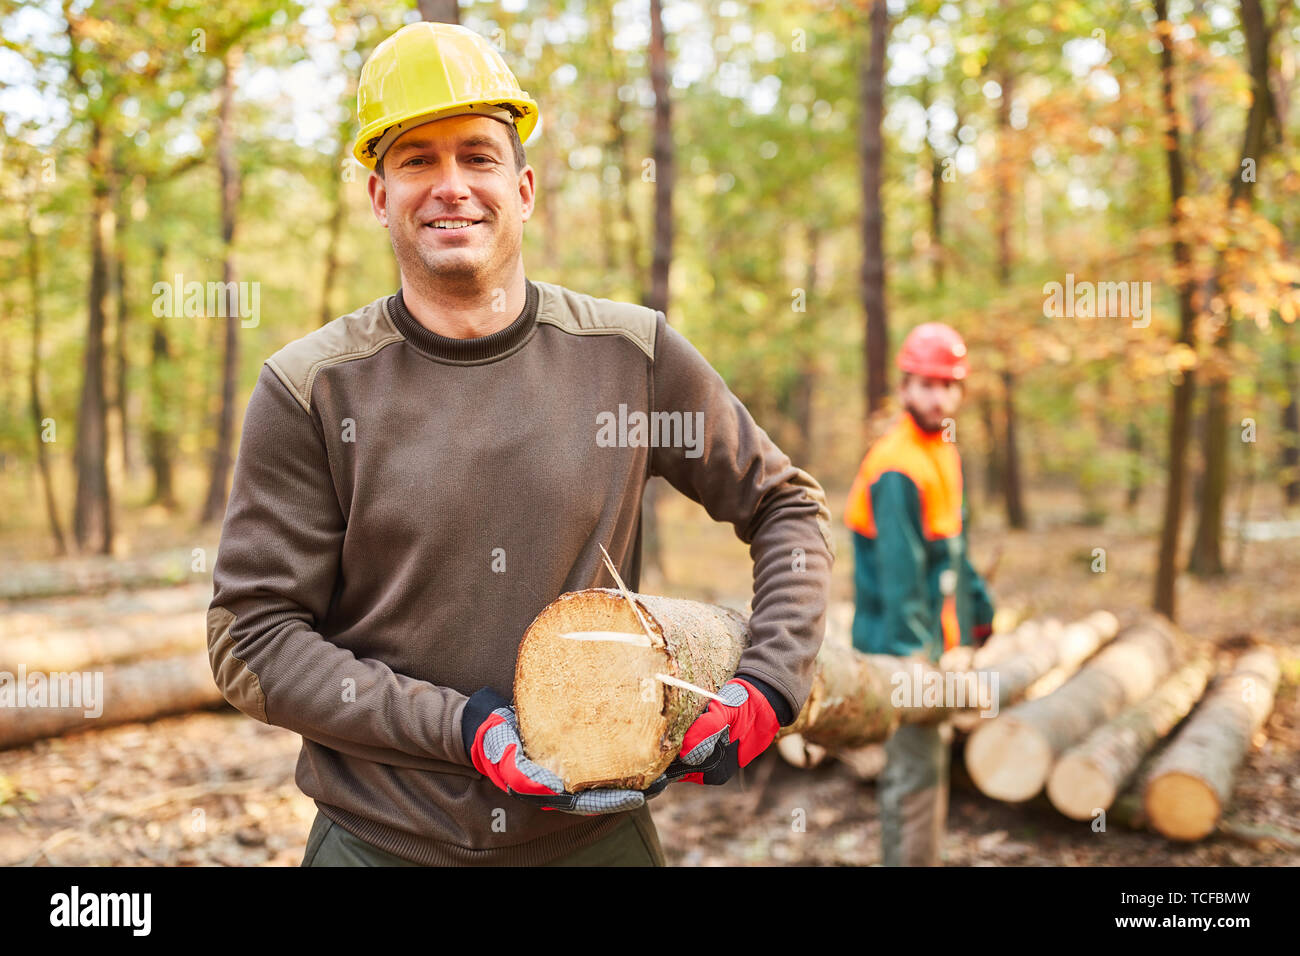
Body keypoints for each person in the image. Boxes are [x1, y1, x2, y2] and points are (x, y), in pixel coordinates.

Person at [205, 21, 834, 867]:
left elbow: (784, 503)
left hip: (595, 838)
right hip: (383, 840)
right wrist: (463, 730)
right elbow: (252, 638)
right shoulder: (312, 388)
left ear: (525, 187)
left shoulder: (630, 356)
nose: (450, 184)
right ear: (378, 195)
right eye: (416, 159)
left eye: (477, 155)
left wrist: (770, 680)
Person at [842, 322, 994, 866]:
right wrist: (913, 664)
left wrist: (979, 617)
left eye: (948, 384)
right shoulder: (896, 465)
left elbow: (953, 547)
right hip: (900, 649)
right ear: (905, 388)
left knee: (926, 770)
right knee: (914, 776)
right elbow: (901, 574)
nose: (938, 396)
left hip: (934, 646)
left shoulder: (943, 452)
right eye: (926, 384)